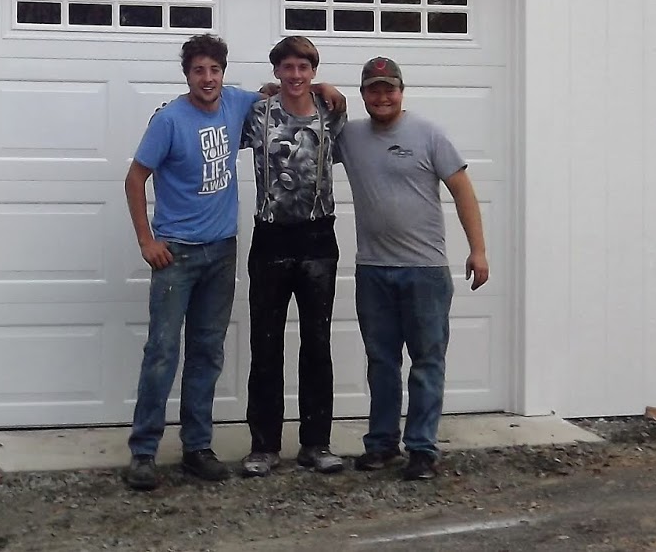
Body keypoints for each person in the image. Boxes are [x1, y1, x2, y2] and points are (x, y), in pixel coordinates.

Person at [122, 34, 343, 490]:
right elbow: (135, 177)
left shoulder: (249, 104)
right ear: (187, 74)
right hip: (180, 252)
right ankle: (144, 451)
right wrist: (146, 240)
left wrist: (326, 88)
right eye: (198, 70)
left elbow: (281, 91)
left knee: (209, 351)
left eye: (214, 70)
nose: (207, 78)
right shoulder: (176, 119)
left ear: (224, 73)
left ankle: (198, 448)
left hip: (230, 249)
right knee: (163, 351)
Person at [336, 56, 488, 482]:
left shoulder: (428, 134)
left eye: (389, 89)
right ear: (363, 94)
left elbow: (463, 191)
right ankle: (382, 444)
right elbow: (307, 125)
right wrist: (314, 91)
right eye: (374, 89)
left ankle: (422, 449)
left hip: (425, 272)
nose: (382, 97)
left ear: (401, 92)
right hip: (373, 271)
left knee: (426, 362)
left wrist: (478, 250)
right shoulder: (349, 137)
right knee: (381, 362)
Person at [239, 35, 345, 477]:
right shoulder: (258, 114)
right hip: (270, 238)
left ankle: (316, 443)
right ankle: (264, 446)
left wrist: (327, 89)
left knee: (317, 344)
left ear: (313, 71)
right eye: (288, 67)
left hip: (318, 238)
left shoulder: (331, 111)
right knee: (265, 345)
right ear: (277, 71)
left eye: (304, 67)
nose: (295, 75)